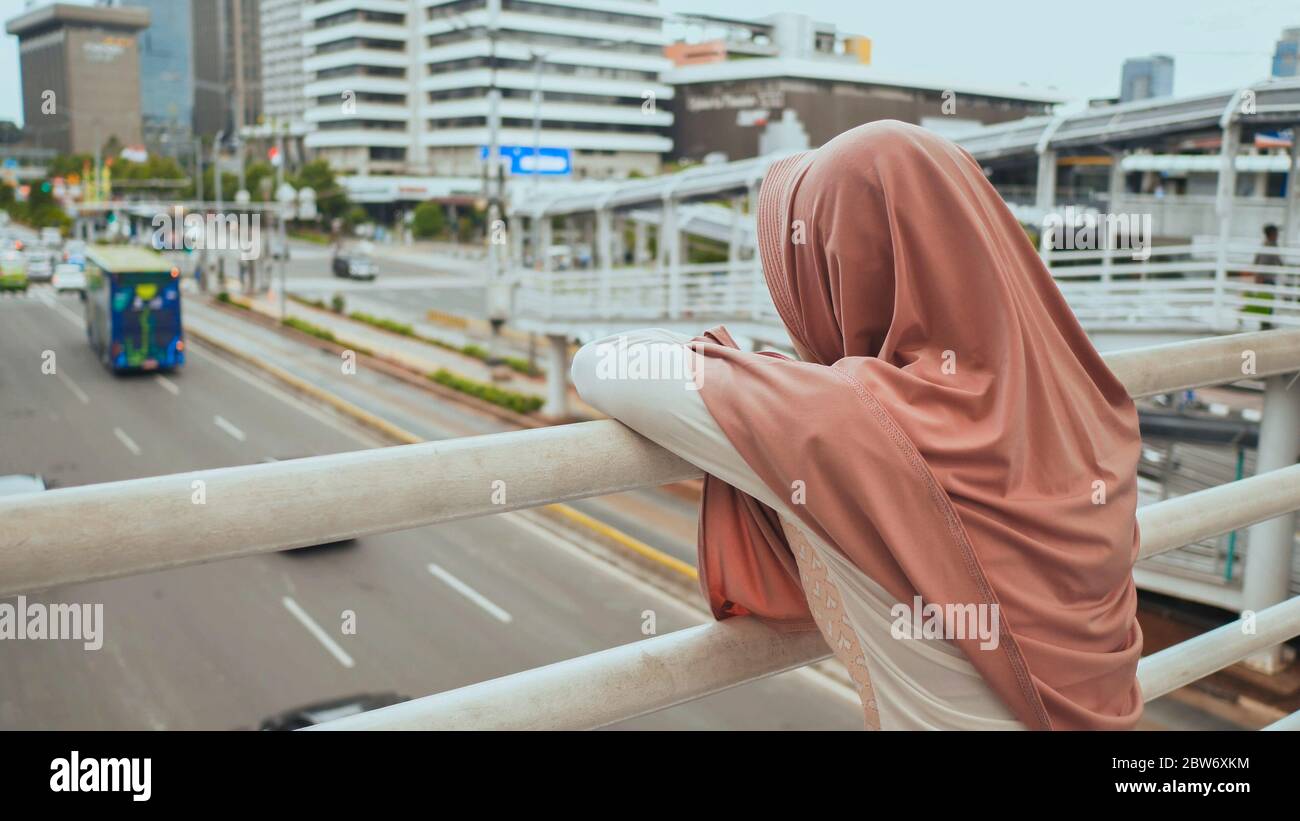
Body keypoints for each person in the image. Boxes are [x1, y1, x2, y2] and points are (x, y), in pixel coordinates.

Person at [571, 121, 1144, 730]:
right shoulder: (1092, 403)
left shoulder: (846, 419)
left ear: (847, 267)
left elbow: (601, 363)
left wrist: (761, 374)